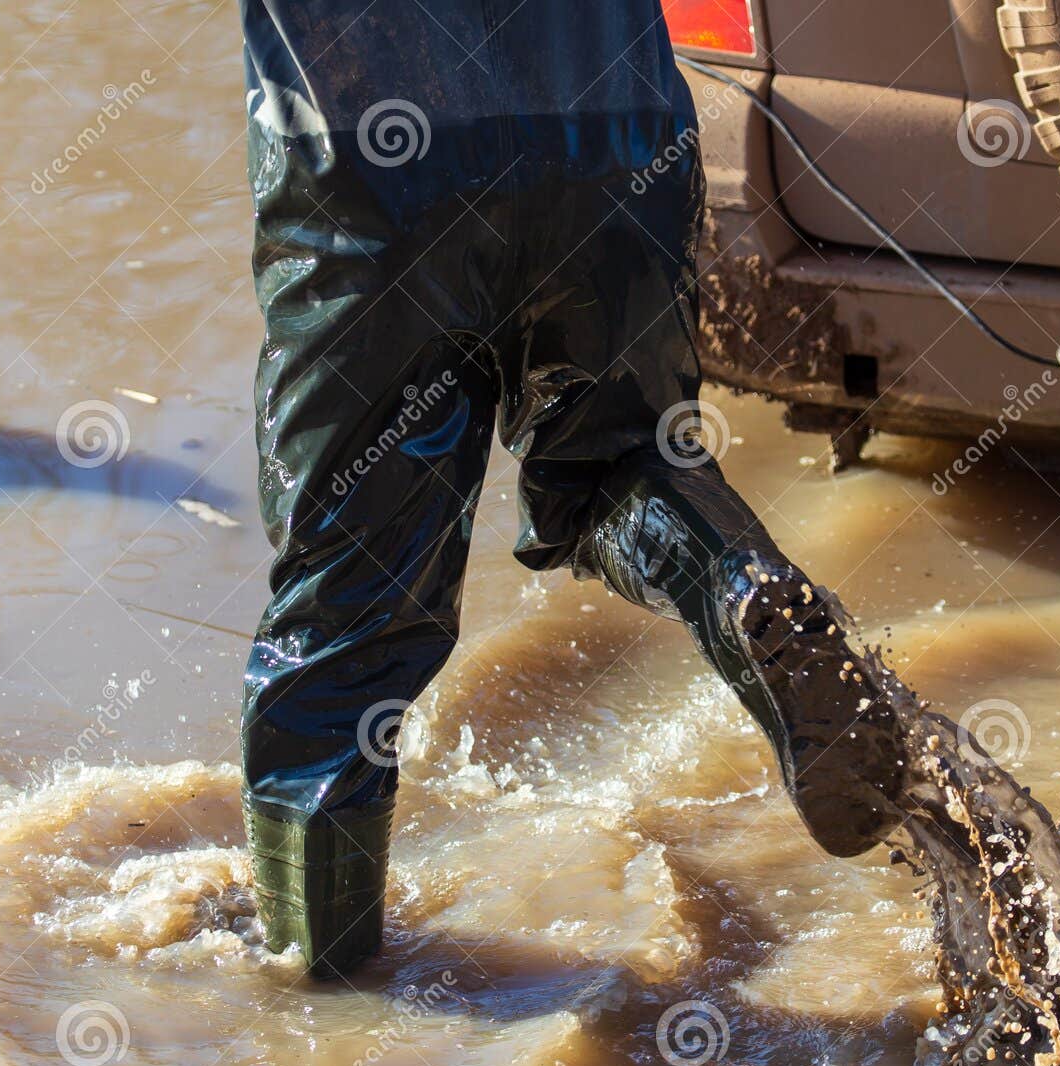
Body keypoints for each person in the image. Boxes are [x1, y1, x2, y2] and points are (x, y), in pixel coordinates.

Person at [239, 1, 907, 977]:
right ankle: (734, 585)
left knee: (348, 606)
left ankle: (314, 1006)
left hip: (373, 156)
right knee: (617, 464)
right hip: (615, 136)